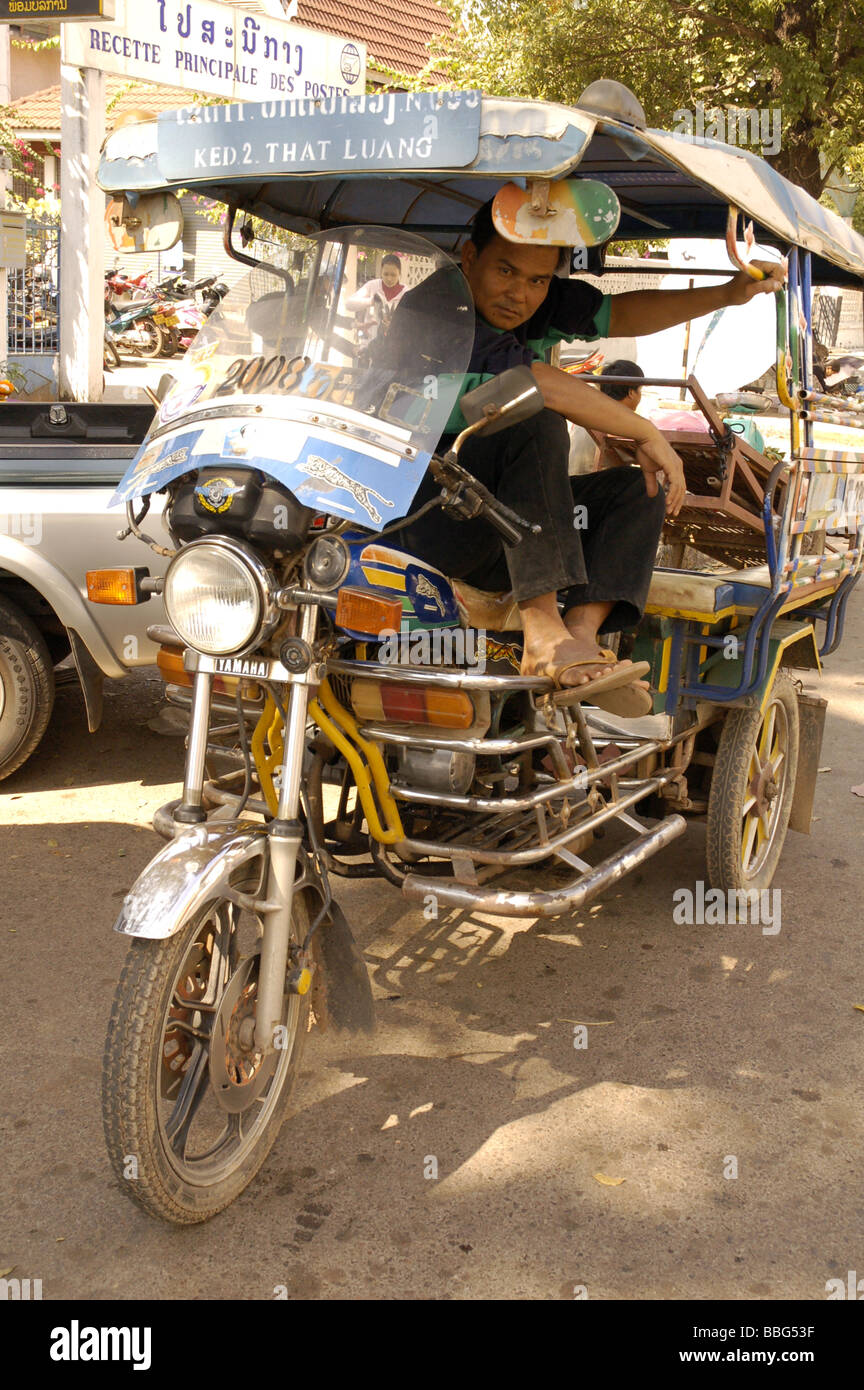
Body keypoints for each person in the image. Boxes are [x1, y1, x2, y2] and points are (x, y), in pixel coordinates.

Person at [384, 199, 785, 700]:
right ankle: (541, 627)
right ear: (469, 258)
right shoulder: (437, 308)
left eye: (538, 279)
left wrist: (729, 291)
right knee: (532, 416)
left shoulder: (534, 297)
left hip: (499, 526)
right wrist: (646, 432)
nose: (520, 293)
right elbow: (539, 384)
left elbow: (623, 313)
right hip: (422, 520)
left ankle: (579, 637)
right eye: (505, 270)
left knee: (637, 488)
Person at [346, 253, 407, 346]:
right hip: (369, 345)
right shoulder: (372, 286)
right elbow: (349, 304)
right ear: (380, 272)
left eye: (393, 275)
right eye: (385, 274)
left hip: (395, 348)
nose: (389, 279)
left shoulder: (406, 293)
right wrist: (370, 301)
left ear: (399, 273)